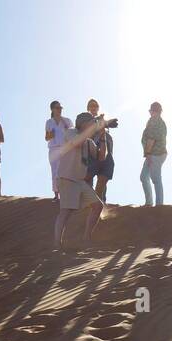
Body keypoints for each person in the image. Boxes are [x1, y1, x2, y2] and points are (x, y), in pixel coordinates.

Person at [53, 112, 106, 249]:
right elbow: (76, 143)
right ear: (83, 123)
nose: (94, 125)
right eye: (91, 123)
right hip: (67, 178)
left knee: (97, 206)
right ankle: (57, 244)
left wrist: (103, 136)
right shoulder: (71, 132)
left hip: (80, 181)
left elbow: (101, 157)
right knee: (66, 211)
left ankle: (86, 238)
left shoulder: (88, 141)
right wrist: (94, 129)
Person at [84, 98, 116, 201]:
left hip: (104, 148)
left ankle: (102, 202)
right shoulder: (85, 119)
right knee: (88, 177)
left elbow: (105, 128)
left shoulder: (101, 119)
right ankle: (89, 202)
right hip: (91, 150)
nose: (94, 107)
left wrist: (105, 122)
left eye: (96, 105)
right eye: (92, 105)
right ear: (88, 108)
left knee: (103, 176)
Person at [140, 102, 168, 206]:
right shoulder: (154, 120)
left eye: (151, 111)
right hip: (153, 153)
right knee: (144, 176)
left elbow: (151, 139)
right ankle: (149, 202)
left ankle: (159, 205)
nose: (150, 113)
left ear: (154, 111)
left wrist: (148, 154)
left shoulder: (155, 121)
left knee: (156, 178)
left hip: (156, 154)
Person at [45, 101, 73, 200]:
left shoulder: (67, 120)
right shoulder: (49, 122)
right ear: (52, 109)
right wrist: (50, 135)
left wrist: (65, 125)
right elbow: (47, 138)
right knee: (55, 172)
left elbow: (72, 133)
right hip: (53, 149)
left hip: (65, 149)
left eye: (60, 108)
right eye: (57, 108)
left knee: (65, 171)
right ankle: (56, 194)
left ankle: (66, 194)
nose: (59, 109)